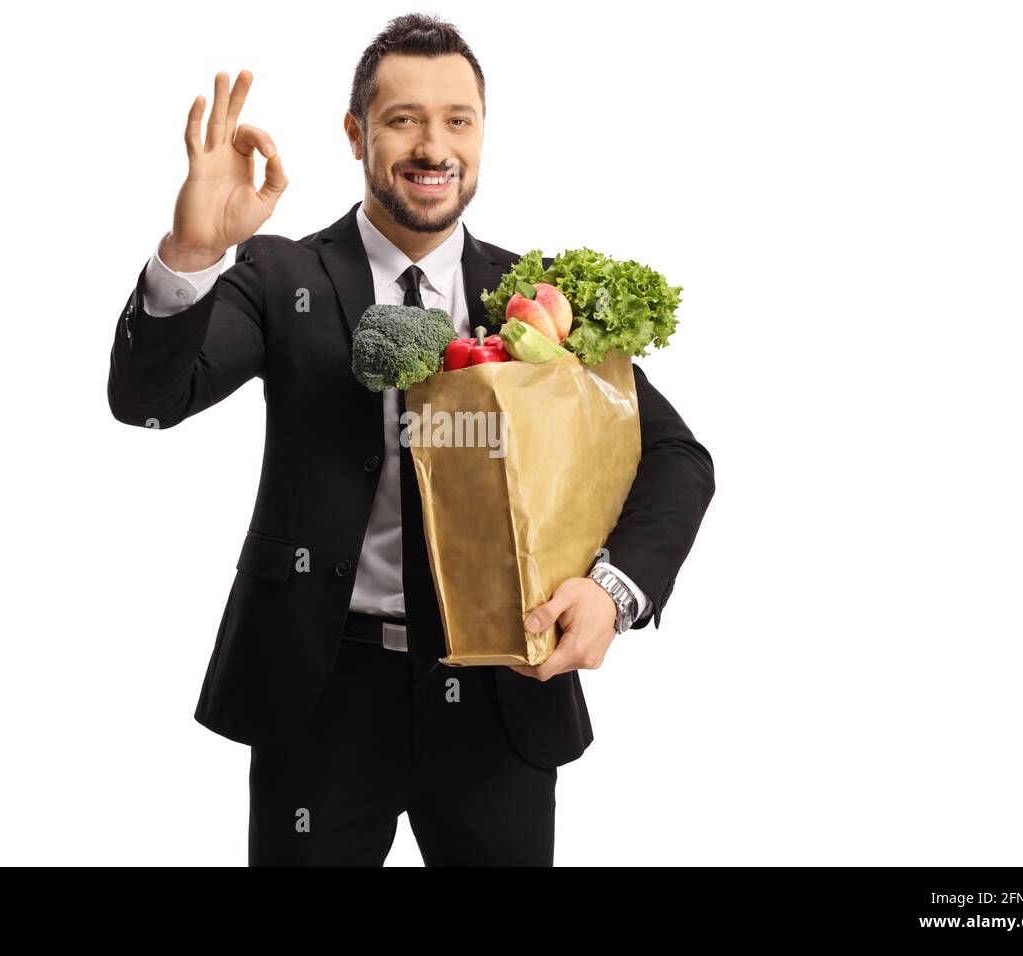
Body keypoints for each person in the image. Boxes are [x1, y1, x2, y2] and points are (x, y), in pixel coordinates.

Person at [106, 13, 715, 866]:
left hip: (504, 686)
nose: (434, 146)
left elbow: (677, 457)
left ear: (481, 135)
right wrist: (193, 254)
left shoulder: (537, 297)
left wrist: (613, 590)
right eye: (403, 119)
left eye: (457, 120)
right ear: (356, 133)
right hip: (321, 691)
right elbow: (148, 399)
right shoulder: (283, 278)